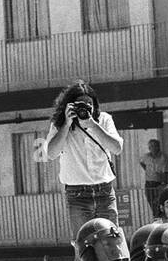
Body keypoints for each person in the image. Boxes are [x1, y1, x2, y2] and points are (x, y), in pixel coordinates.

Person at [43, 81, 123, 241]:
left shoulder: (104, 120)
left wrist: (92, 125)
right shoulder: (60, 124)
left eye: (89, 104)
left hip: (105, 192)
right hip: (77, 194)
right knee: (83, 249)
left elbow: (117, 148)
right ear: (69, 106)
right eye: (80, 104)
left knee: (112, 244)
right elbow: (51, 153)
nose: (85, 108)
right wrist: (66, 124)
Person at [139, 139, 168, 217]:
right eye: (151, 146)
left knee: (159, 203)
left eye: (155, 146)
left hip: (159, 183)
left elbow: (165, 171)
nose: (154, 148)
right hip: (149, 183)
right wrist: (148, 170)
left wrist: (163, 184)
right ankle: (156, 218)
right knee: (152, 203)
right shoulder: (146, 156)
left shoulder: (163, 157)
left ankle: (160, 218)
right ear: (149, 148)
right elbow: (141, 162)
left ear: (159, 147)